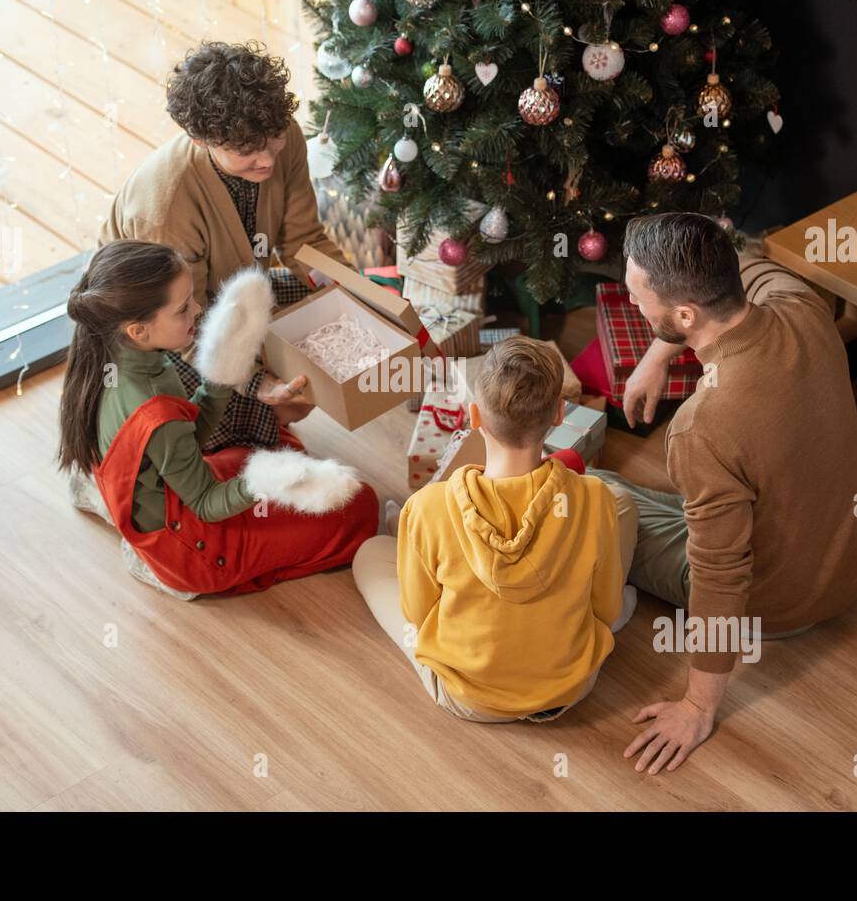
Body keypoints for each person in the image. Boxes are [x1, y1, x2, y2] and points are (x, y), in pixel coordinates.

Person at [604, 212, 857, 773]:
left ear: (685, 314)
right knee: (665, 496)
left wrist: (696, 705)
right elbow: (751, 268)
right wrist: (658, 354)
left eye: (639, 297)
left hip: (780, 601)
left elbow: (720, 575)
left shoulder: (701, 426)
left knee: (594, 496)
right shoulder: (802, 305)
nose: (632, 303)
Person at [57, 240, 378, 599]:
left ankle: (130, 532)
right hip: (192, 546)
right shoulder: (151, 410)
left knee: (281, 447)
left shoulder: (106, 356)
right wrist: (264, 480)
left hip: (165, 497)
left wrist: (221, 376)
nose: (197, 309)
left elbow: (186, 438)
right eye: (182, 309)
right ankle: (161, 568)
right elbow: (208, 505)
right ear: (137, 330)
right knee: (360, 509)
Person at [351, 337, 639, 723]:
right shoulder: (593, 497)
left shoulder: (429, 506)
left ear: (473, 416)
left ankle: (406, 542)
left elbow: (418, 614)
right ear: (558, 413)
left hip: (467, 697)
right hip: (571, 687)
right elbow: (604, 607)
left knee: (370, 552)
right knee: (621, 501)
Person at [99, 40, 347, 451]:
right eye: (246, 152)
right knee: (233, 417)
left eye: (273, 139)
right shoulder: (163, 207)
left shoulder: (283, 137)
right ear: (201, 140)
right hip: (162, 324)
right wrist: (254, 380)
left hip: (225, 293)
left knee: (318, 313)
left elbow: (303, 240)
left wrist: (348, 290)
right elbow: (182, 326)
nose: (267, 160)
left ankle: (264, 419)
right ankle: (243, 430)